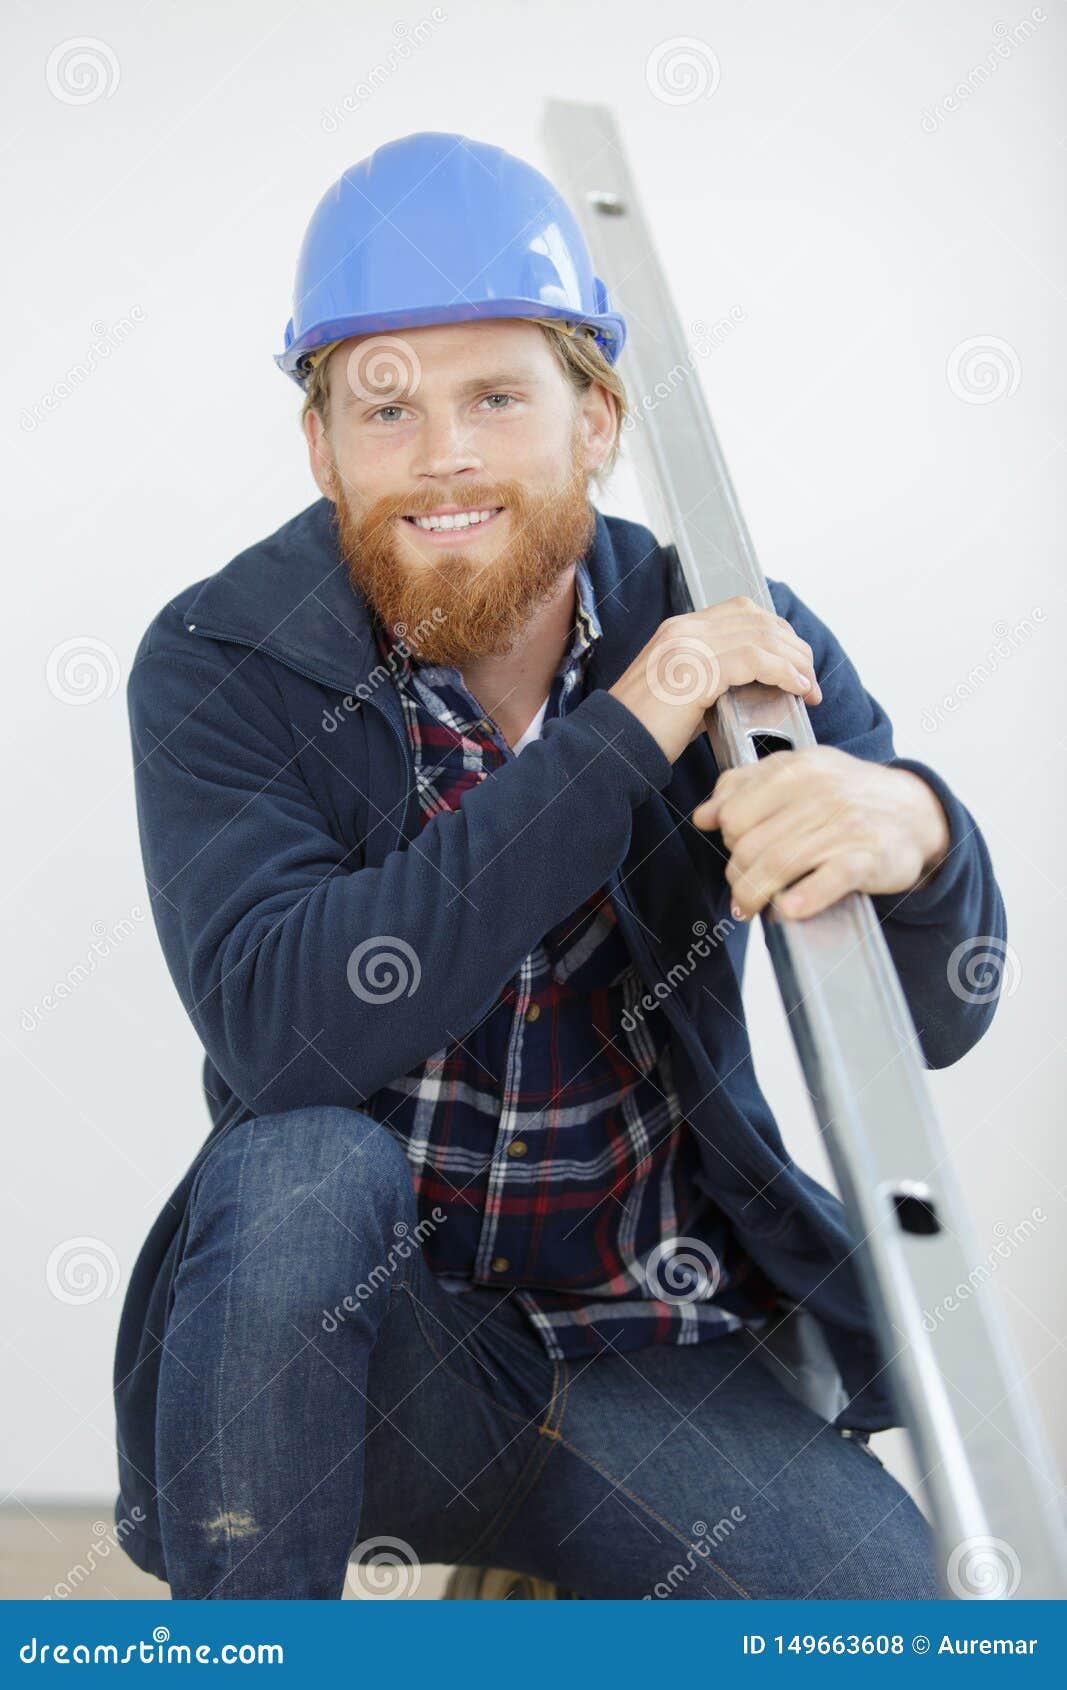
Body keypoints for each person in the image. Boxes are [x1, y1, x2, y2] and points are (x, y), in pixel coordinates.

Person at [112, 132, 1006, 1600]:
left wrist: (914, 832)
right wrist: (633, 726)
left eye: (496, 397)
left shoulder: (737, 644)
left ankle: (534, 1575)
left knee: (886, 1623)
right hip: (367, 1347)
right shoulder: (226, 658)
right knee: (299, 1168)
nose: (443, 451)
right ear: (320, 444)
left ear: (596, 418)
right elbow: (287, 1031)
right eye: (384, 404)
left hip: (650, 1343)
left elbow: (938, 1019)